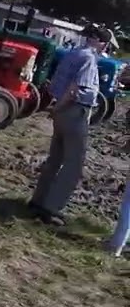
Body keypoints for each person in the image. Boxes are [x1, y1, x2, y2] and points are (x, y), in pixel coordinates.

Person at [28, 25, 113, 226]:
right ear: (100, 42)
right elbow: (75, 89)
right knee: (73, 165)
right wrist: (60, 108)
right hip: (74, 111)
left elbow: (57, 83)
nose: (105, 48)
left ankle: (38, 201)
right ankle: (51, 208)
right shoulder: (88, 59)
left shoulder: (72, 54)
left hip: (62, 110)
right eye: (105, 44)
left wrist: (56, 108)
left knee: (55, 159)